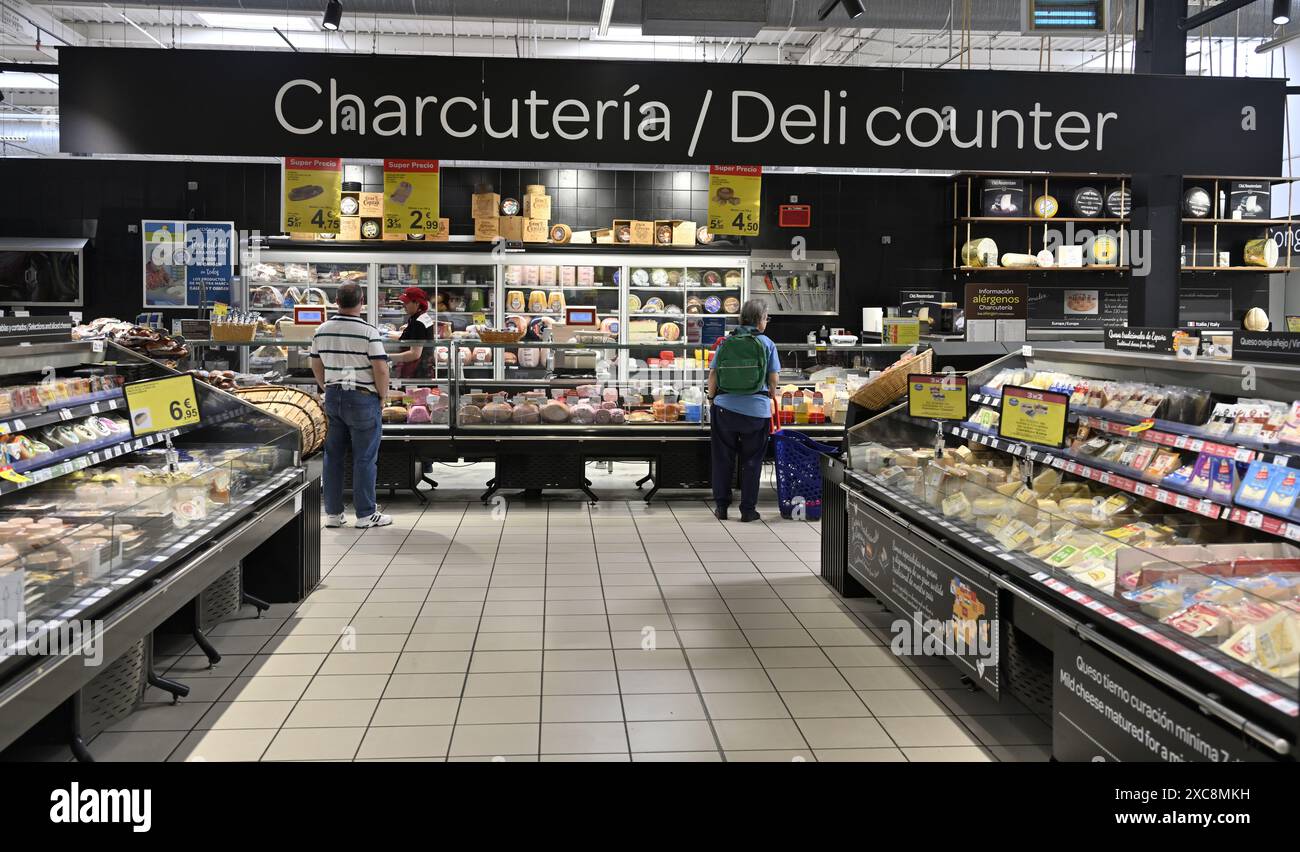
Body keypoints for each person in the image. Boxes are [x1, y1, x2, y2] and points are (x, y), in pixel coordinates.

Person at [310, 281, 393, 529]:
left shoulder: (321, 330)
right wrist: (382, 395)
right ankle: (366, 514)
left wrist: (327, 387)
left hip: (334, 397)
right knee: (364, 458)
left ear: (336, 301)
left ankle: (333, 514)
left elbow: (316, 364)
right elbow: (380, 368)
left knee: (332, 457)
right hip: (362, 398)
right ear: (361, 302)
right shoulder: (369, 331)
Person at [707, 298, 780, 522]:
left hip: (725, 410)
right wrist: (770, 394)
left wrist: (712, 399)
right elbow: (773, 378)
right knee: (752, 461)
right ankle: (748, 510)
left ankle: (721, 507)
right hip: (756, 412)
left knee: (722, 459)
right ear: (759, 320)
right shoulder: (767, 343)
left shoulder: (726, 342)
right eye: (766, 318)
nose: (766, 322)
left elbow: (713, 375)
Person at [387, 286, 435, 379]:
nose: (404, 305)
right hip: (424, 370)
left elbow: (414, 354)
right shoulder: (422, 317)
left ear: (417, 303)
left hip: (417, 373)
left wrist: (388, 357)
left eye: (406, 302)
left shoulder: (418, 323)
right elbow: (414, 337)